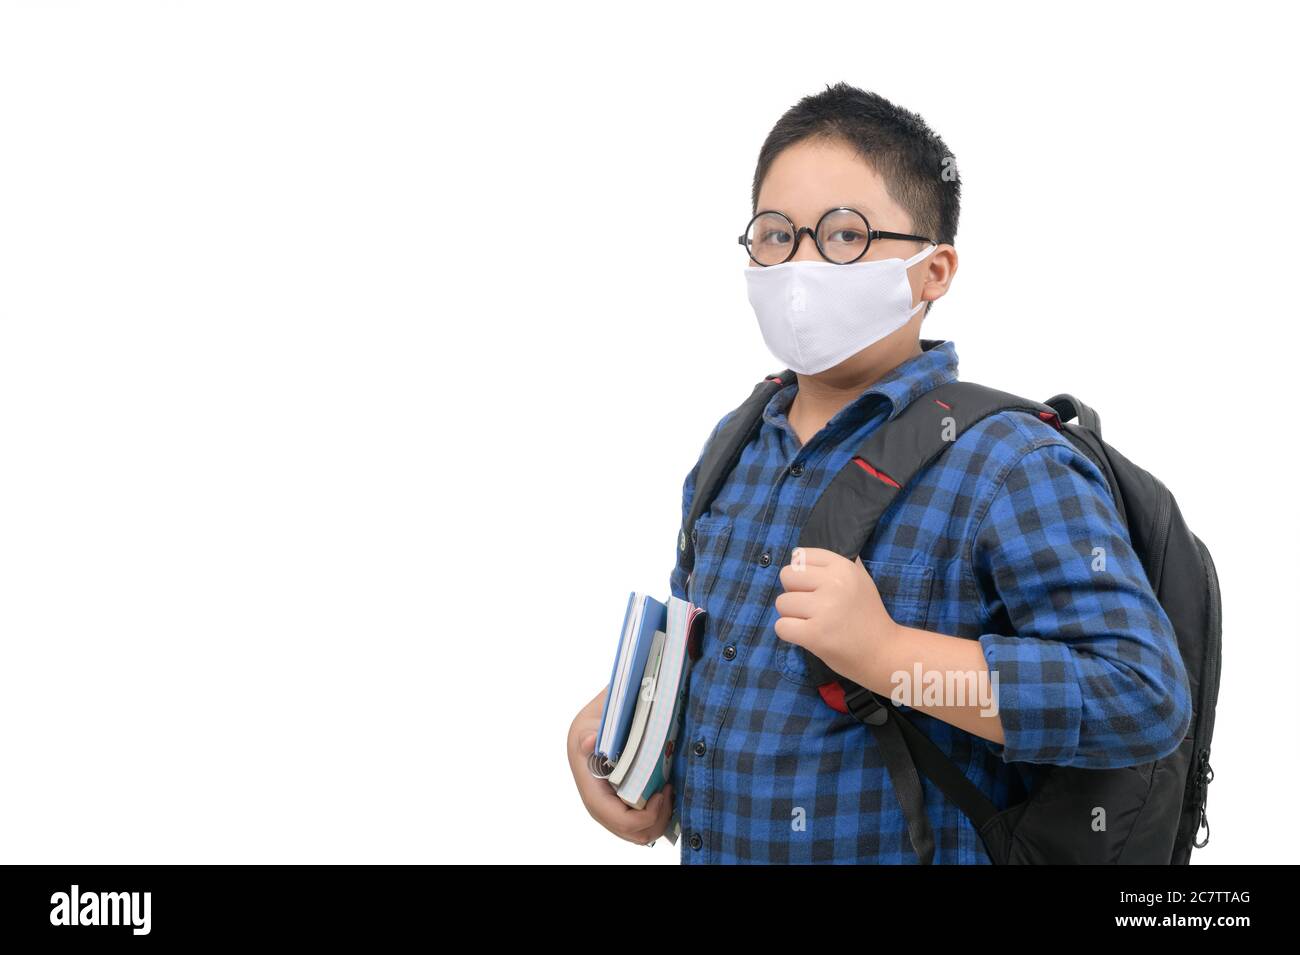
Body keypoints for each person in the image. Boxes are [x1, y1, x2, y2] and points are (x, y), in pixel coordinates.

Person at [567, 82, 1191, 863]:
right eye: (774, 234)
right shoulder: (731, 450)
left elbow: (1141, 697)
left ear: (934, 271)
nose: (800, 264)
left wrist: (893, 656)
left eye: (844, 235)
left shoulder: (1009, 464)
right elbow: (713, 657)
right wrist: (617, 730)